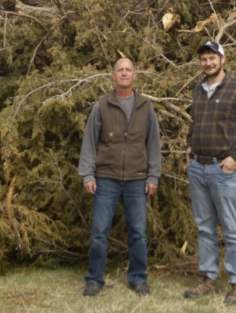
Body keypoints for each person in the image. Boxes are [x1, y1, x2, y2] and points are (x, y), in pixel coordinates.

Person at [183, 40, 236, 306]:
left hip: (224, 170)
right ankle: (207, 276)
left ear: (222, 59)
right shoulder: (198, 89)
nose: (207, 62)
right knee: (205, 227)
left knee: (231, 228)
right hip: (198, 168)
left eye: (212, 58)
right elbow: (195, 123)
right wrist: (188, 147)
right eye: (203, 58)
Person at [77, 57, 162, 297]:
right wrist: (87, 175)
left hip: (137, 180)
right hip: (105, 179)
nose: (124, 74)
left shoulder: (145, 106)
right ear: (113, 76)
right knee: (99, 232)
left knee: (138, 232)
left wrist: (153, 176)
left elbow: (154, 145)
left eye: (129, 70)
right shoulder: (102, 106)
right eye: (120, 70)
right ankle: (94, 279)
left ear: (135, 75)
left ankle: (138, 278)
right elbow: (90, 143)